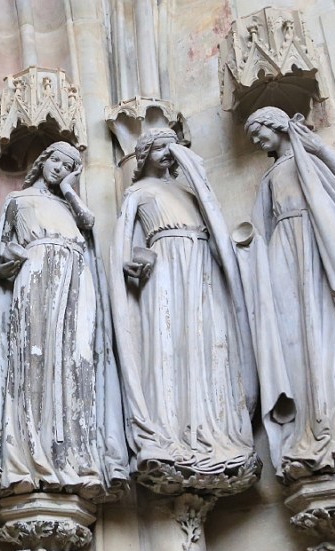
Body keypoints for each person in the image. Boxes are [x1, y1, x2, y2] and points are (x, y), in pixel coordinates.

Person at [241, 107, 335, 482]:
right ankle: (308, 428)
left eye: (260, 133)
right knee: (294, 345)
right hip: (284, 258)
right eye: (253, 138)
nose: (258, 142)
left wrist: (320, 149)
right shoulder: (269, 178)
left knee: (332, 337)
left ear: (277, 126)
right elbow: (260, 229)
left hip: (319, 250)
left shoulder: (308, 161)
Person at [0, 141, 128, 502]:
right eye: (55, 160)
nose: (58, 168)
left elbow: (89, 224)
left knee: (76, 367)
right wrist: (12, 257)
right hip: (37, 277)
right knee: (34, 364)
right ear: (43, 160)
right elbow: (0, 257)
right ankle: (26, 459)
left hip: (76, 280)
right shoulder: (17, 201)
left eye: (67, 165)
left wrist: (70, 190)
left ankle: (75, 460)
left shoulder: (70, 207)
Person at [110, 129, 260, 495]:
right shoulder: (137, 193)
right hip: (165, 270)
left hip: (201, 266)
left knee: (208, 344)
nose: (168, 153)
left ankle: (214, 429)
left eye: (173, 147)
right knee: (169, 344)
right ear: (144, 154)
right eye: (160, 147)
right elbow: (124, 247)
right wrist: (136, 258)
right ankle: (169, 429)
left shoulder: (191, 192)